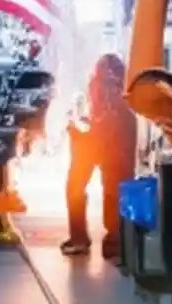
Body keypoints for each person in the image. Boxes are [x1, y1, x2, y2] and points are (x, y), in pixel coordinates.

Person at [62, 53, 137, 260]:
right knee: (114, 187)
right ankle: (114, 239)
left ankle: (86, 239)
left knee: (81, 186)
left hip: (104, 136)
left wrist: (80, 129)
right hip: (110, 135)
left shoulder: (104, 86)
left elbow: (103, 117)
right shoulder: (120, 93)